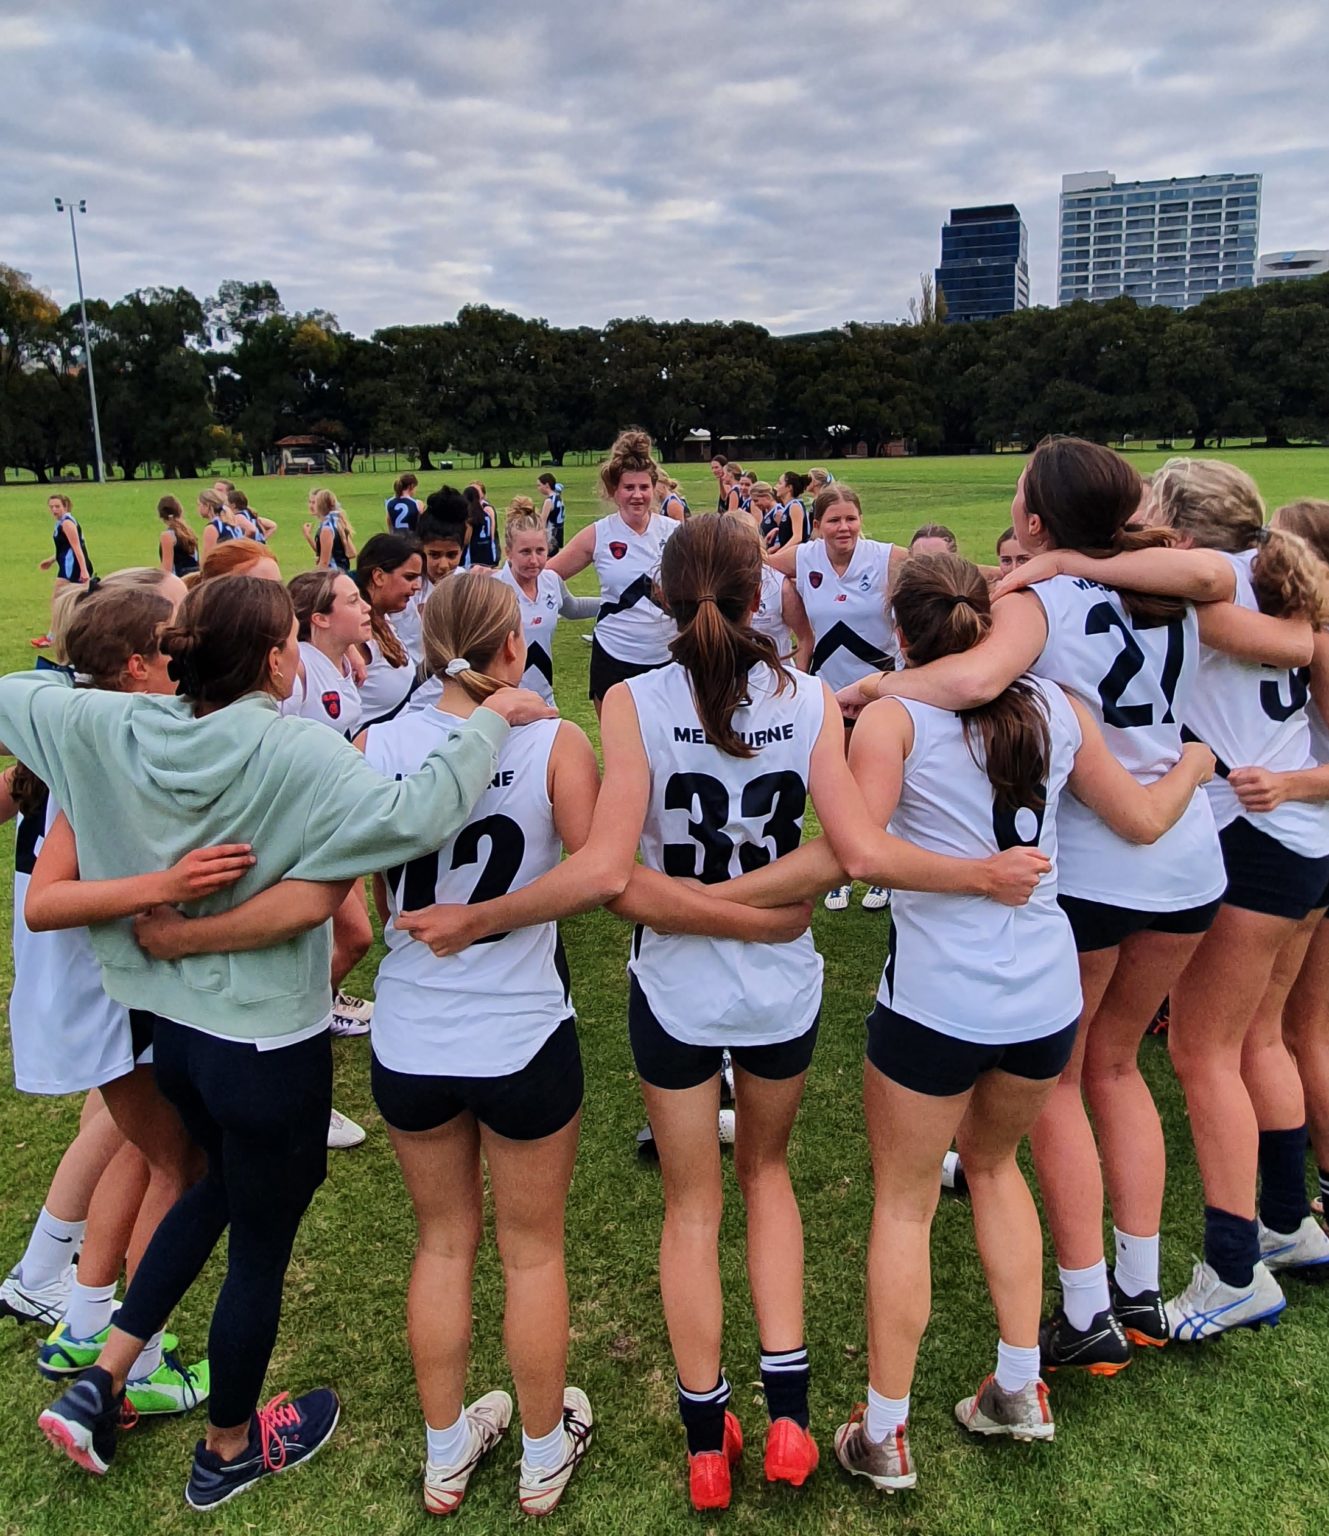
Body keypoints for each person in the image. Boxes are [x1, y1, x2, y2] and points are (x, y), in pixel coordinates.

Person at [401, 516, 1052, 1512]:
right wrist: (756, 915)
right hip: (778, 979)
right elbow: (844, 851)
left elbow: (613, 875)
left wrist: (706, 910)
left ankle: (707, 1442)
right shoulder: (810, 695)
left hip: (676, 983)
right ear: (762, 598)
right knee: (769, 1177)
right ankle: (788, 1419)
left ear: (663, 598)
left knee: (692, 1207)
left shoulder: (628, 700)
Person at [0, 574, 552, 1508]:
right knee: (258, 1245)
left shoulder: (113, 723)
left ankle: (104, 1376)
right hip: (266, 1046)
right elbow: (416, 815)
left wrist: (86, 688)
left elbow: (19, 691)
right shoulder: (299, 746)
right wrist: (492, 721)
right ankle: (226, 1449)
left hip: (176, 1037)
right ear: (274, 659)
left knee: (218, 1186)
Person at [812, 553, 1211, 1490]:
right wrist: (1197, 758)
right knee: (994, 1169)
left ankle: (884, 1431)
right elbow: (1141, 819)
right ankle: (1018, 1388)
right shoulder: (1057, 705)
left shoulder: (896, 719)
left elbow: (859, 855)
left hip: (937, 1000)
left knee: (905, 1203)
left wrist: (971, 874)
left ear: (900, 632)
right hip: (1042, 997)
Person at [853, 440, 1253, 1364]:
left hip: (1094, 864)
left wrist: (874, 690)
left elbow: (973, 680)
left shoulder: (1040, 596)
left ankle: (1085, 1308)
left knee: (1068, 1082)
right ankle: (1139, 1286)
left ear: (1034, 521)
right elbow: (1211, 572)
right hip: (1185, 855)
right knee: (1119, 1068)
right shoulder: (1175, 583)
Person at [358, 575, 608, 1516]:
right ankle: (541, 1452)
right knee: (532, 1251)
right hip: (519, 1033)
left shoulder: (377, 743)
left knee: (442, 1245)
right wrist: (490, 919)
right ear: (513, 647)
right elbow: (598, 875)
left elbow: (367, 879)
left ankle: (446, 1452)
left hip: (411, 1034)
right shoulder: (553, 740)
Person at [1143, 458, 1329, 1334]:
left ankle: (1231, 1271)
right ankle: (1286, 1223)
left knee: (1202, 1052)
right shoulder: (1274, 579)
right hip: (1300, 844)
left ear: (1183, 532)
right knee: (1259, 1038)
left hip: (1253, 841)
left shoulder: (1205, 590)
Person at [768, 483, 902, 912]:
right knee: (837, 786)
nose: (844, 527)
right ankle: (840, 872)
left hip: (882, 692)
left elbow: (943, 569)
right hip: (830, 692)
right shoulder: (804, 558)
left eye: (851, 518)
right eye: (834, 520)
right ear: (819, 524)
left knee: (884, 785)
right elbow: (753, 562)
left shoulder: (884, 557)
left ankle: (885, 872)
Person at [282, 570, 377, 1048]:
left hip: (337, 818)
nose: (366, 608)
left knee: (337, 938)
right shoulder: (299, 670)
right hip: (308, 827)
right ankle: (298, 1023)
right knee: (357, 937)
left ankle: (323, 1005)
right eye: (353, 601)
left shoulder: (340, 661)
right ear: (319, 618)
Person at [549, 428, 679, 718]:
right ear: (614, 491)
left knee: (666, 744)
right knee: (617, 741)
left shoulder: (676, 533)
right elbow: (547, 575)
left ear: (654, 488)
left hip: (668, 658)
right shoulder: (599, 534)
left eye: (644, 487)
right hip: (614, 656)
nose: (637, 495)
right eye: (628, 487)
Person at [494, 503, 599, 704]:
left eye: (540, 551)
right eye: (525, 552)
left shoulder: (551, 580)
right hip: (502, 699)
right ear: (508, 552)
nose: (534, 560)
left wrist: (613, 603)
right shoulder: (494, 587)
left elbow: (573, 608)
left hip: (544, 698)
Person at [353, 533, 424, 728]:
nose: (417, 586)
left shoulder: (382, 616)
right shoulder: (356, 633)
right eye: (409, 577)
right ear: (378, 576)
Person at [32, 494, 93, 648]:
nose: (54, 509)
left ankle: (53, 637)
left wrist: (84, 571)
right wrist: (51, 560)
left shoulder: (67, 523)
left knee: (60, 601)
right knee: (72, 602)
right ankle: (66, 634)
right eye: (51, 507)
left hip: (72, 568)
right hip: (67, 566)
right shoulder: (61, 523)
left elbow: (77, 547)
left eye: (57, 506)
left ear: (65, 506)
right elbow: (65, 548)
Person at [312, 489, 356, 573]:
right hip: (343, 572)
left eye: (314, 503)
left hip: (333, 575)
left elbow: (324, 563)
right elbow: (351, 553)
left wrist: (313, 576)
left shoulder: (327, 528)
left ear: (319, 505)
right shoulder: (338, 522)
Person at [157, 497, 200, 578]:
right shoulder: (190, 533)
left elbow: (167, 570)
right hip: (194, 579)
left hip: (179, 580)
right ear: (180, 511)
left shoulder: (168, 536)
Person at [198, 490, 245, 563]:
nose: (198, 508)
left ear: (207, 505)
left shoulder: (212, 528)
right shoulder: (232, 523)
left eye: (199, 504)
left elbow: (207, 558)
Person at [767, 473, 810, 549]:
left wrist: (779, 554)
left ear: (789, 487)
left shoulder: (795, 506)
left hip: (796, 554)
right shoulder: (788, 506)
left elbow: (797, 538)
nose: (776, 486)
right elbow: (787, 538)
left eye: (780, 483)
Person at [463, 484, 500, 568]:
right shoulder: (486, 514)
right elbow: (492, 534)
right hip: (488, 553)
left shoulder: (471, 517)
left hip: (475, 555)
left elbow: (466, 540)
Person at [538, 473, 567, 551]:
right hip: (560, 533)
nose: (538, 488)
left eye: (539, 485)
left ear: (547, 485)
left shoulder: (549, 501)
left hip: (551, 535)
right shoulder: (559, 498)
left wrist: (541, 537)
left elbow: (543, 521)